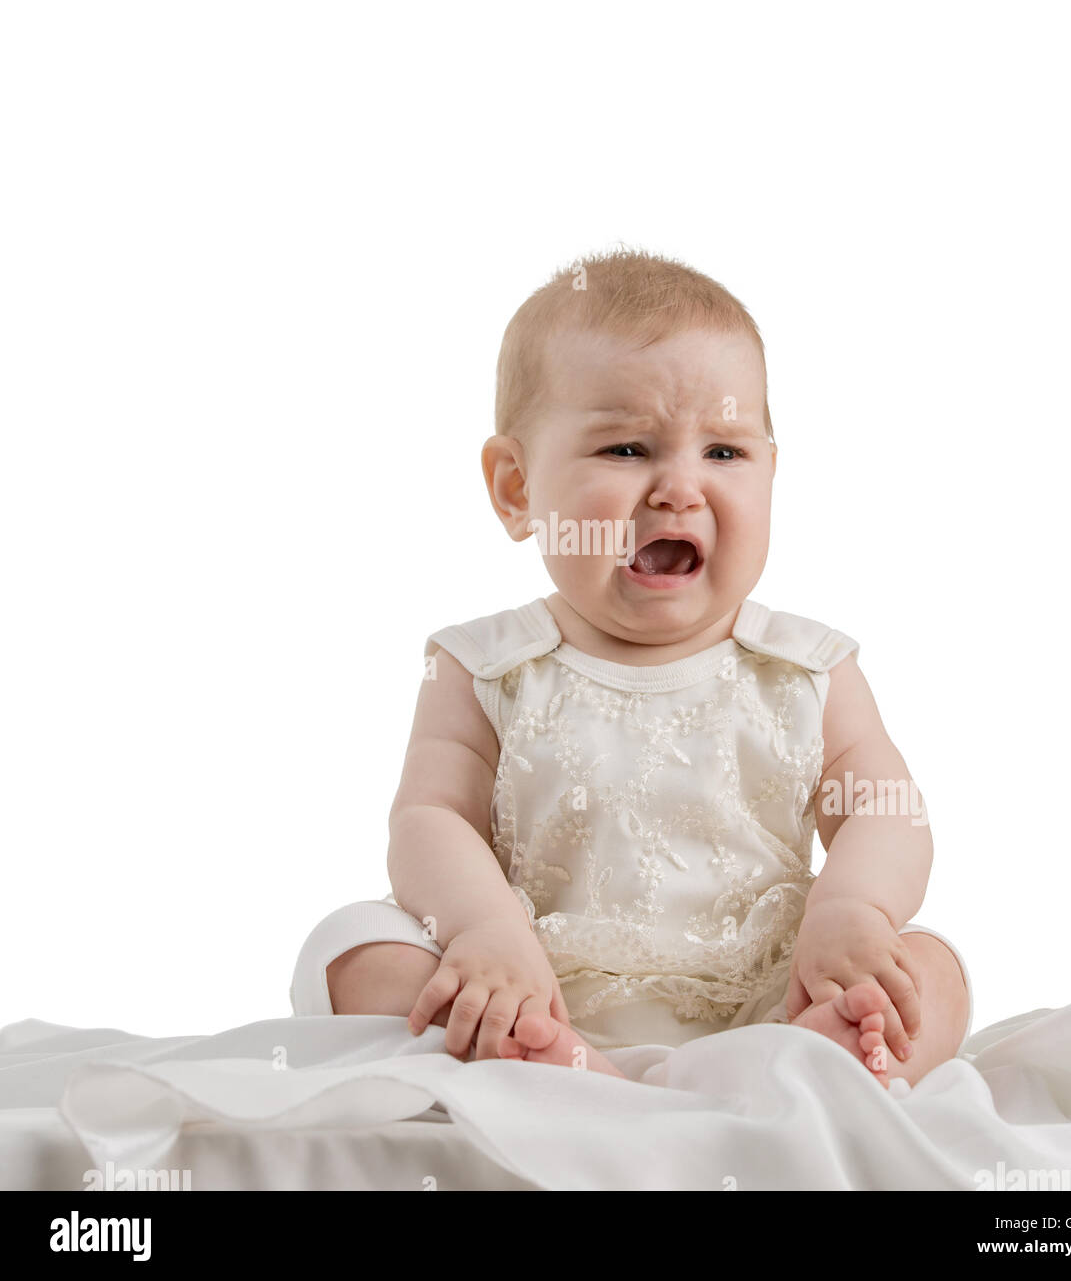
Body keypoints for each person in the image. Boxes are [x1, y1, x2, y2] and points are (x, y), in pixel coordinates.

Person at [289, 249, 971, 1090]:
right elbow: (430, 819)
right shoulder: (487, 668)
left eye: (724, 453)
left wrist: (854, 909)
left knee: (933, 963)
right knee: (353, 945)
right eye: (626, 448)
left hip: (772, 996)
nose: (680, 489)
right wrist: (482, 931)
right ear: (515, 487)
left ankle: (819, 1058)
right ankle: (566, 1069)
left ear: (771, 472)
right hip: (536, 988)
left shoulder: (805, 669)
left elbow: (885, 808)